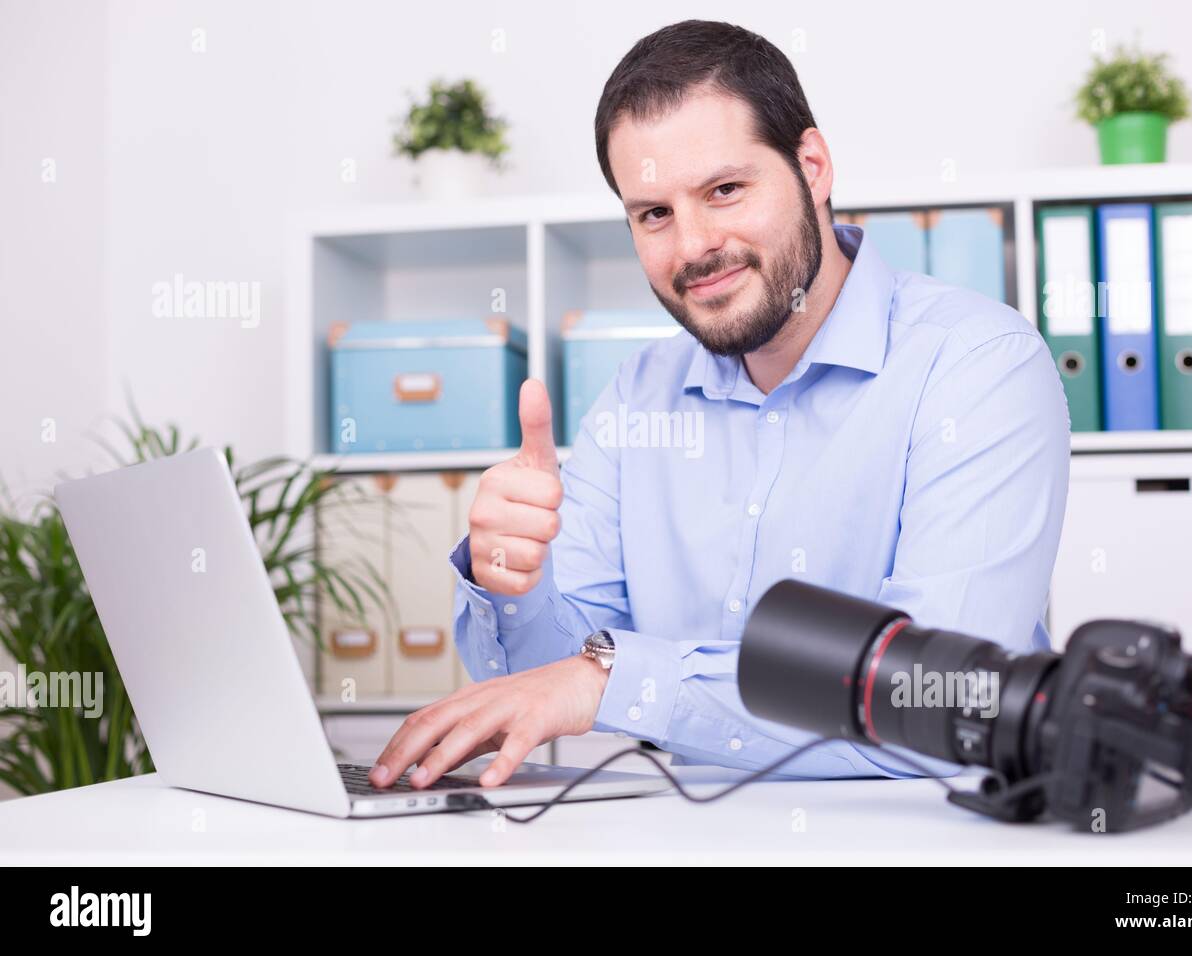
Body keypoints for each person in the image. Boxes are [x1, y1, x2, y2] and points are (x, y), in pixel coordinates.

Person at [369, 19, 1069, 793]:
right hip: (701, 832)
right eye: (654, 214)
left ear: (812, 165)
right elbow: (550, 683)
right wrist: (512, 580)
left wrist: (612, 680)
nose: (694, 246)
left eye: (725, 190)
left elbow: (938, 699)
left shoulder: (978, 365)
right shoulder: (638, 395)